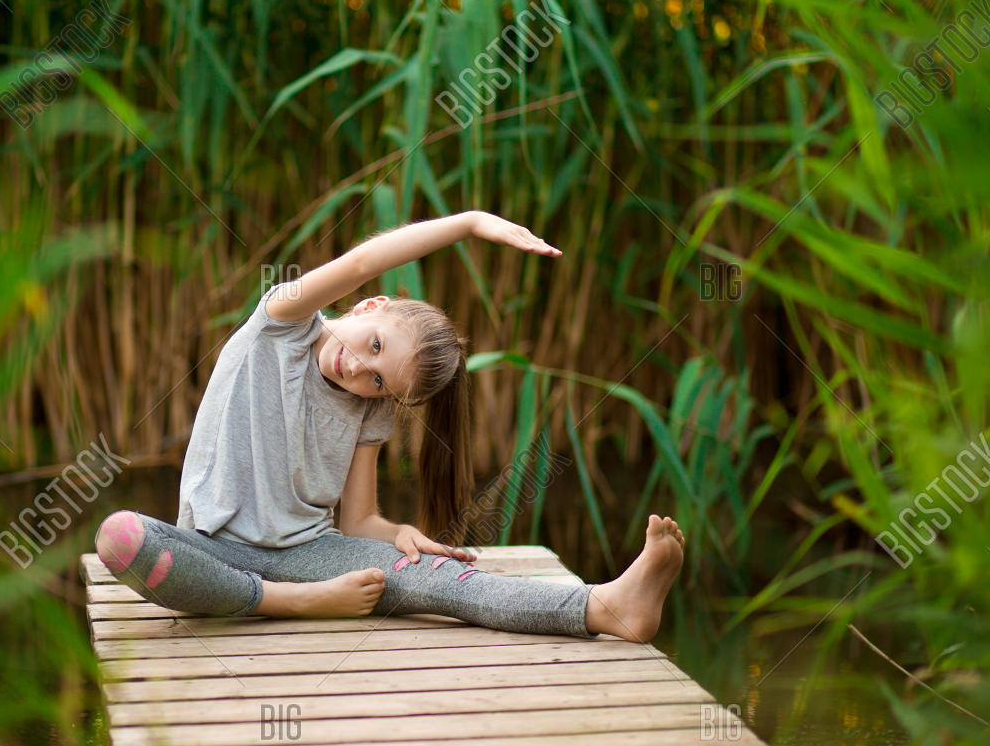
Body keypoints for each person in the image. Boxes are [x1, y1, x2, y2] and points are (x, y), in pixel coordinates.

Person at [95, 210, 684, 641]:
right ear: (367, 306)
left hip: (310, 553)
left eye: (379, 380)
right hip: (215, 552)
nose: (359, 369)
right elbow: (361, 262)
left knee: (443, 582)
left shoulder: (368, 409)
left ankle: (606, 607)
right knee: (122, 539)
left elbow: (358, 521)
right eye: (373, 346)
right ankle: (295, 604)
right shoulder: (283, 325)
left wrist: (398, 533)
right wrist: (469, 223)